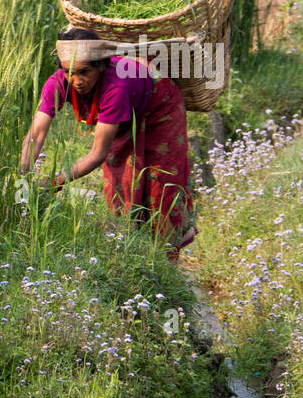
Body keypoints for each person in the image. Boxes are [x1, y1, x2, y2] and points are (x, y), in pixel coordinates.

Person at [18, 27, 197, 261]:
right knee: (120, 181)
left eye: (84, 72)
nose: (77, 81)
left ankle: (165, 260)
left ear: (102, 65)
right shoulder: (58, 82)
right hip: (128, 108)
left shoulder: (115, 87)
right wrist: (22, 179)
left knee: (161, 183)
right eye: (69, 72)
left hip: (159, 107)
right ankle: (131, 252)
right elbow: (37, 134)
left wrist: (56, 181)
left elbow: (97, 154)